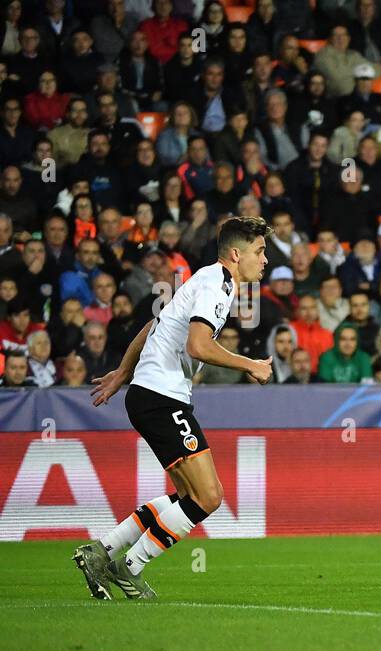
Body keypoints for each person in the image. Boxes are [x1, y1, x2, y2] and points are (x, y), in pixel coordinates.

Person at [73, 217, 273, 601]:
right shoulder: (218, 285)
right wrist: (250, 364)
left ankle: (102, 551)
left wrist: (123, 373)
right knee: (209, 497)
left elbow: (154, 323)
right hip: (162, 398)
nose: (264, 260)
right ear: (236, 253)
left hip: (153, 396)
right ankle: (128, 567)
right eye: (259, 251)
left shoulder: (206, 278)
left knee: (189, 496)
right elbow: (199, 346)